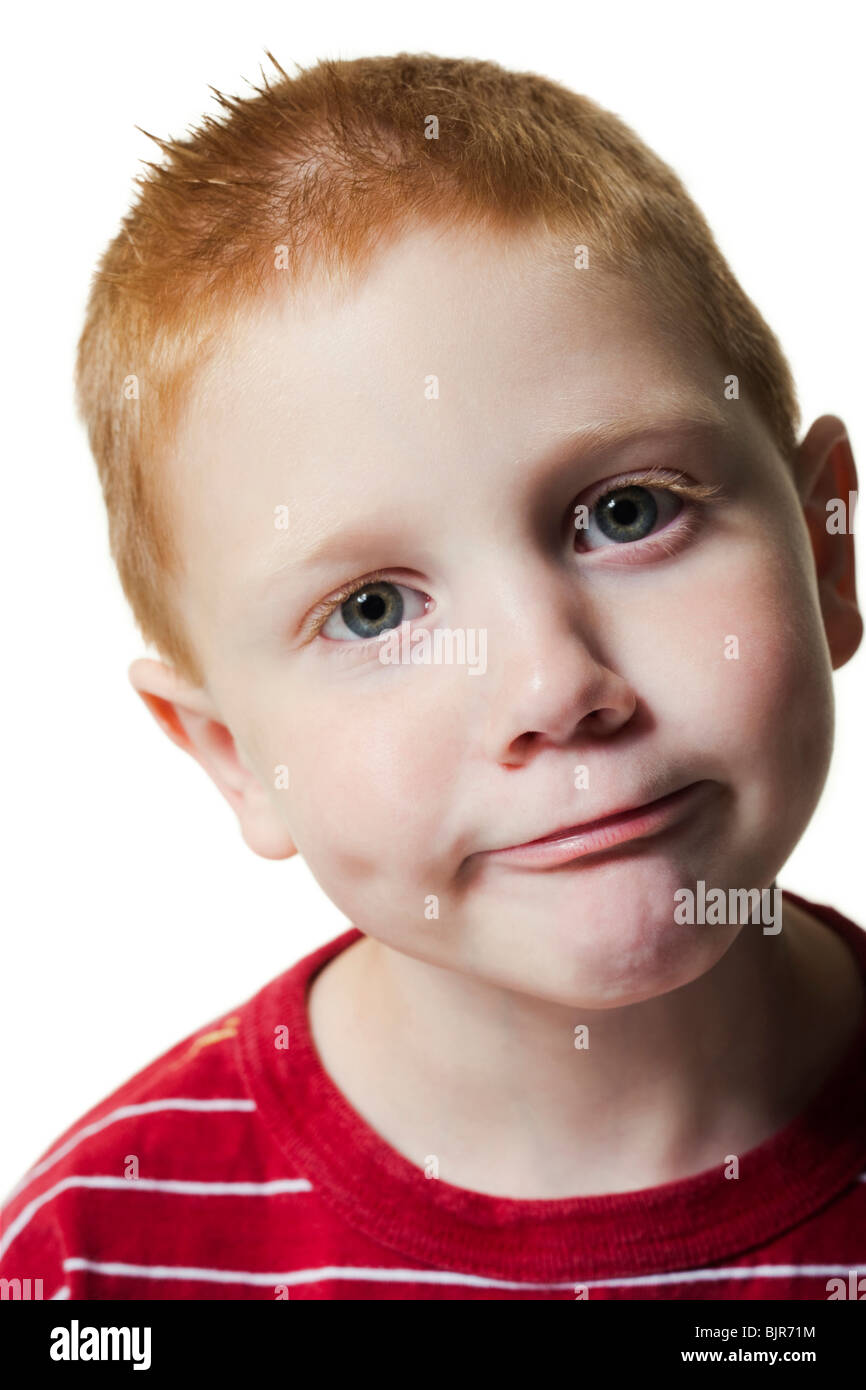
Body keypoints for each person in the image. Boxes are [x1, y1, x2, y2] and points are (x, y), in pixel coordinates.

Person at [3, 51, 865, 1301]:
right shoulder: (96, 1267)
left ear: (826, 547)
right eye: (369, 609)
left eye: (625, 512)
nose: (552, 688)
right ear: (233, 757)